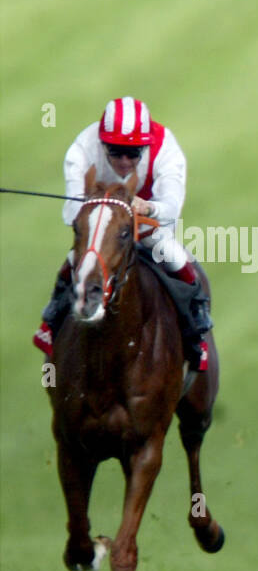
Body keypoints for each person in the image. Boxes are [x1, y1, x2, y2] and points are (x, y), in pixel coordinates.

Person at [34, 96, 210, 368]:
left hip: (148, 225)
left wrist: (148, 208)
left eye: (134, 152)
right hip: (103, 228)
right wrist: (101, 210)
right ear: (102, 143)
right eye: (115, 151)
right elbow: (70, 212)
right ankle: (51, 319)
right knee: (76, 260)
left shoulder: (166, 150)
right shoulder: (82, 149)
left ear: (146, 146)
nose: (125, 160)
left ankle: (196, 326)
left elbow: (172, 206)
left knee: (173, 255)